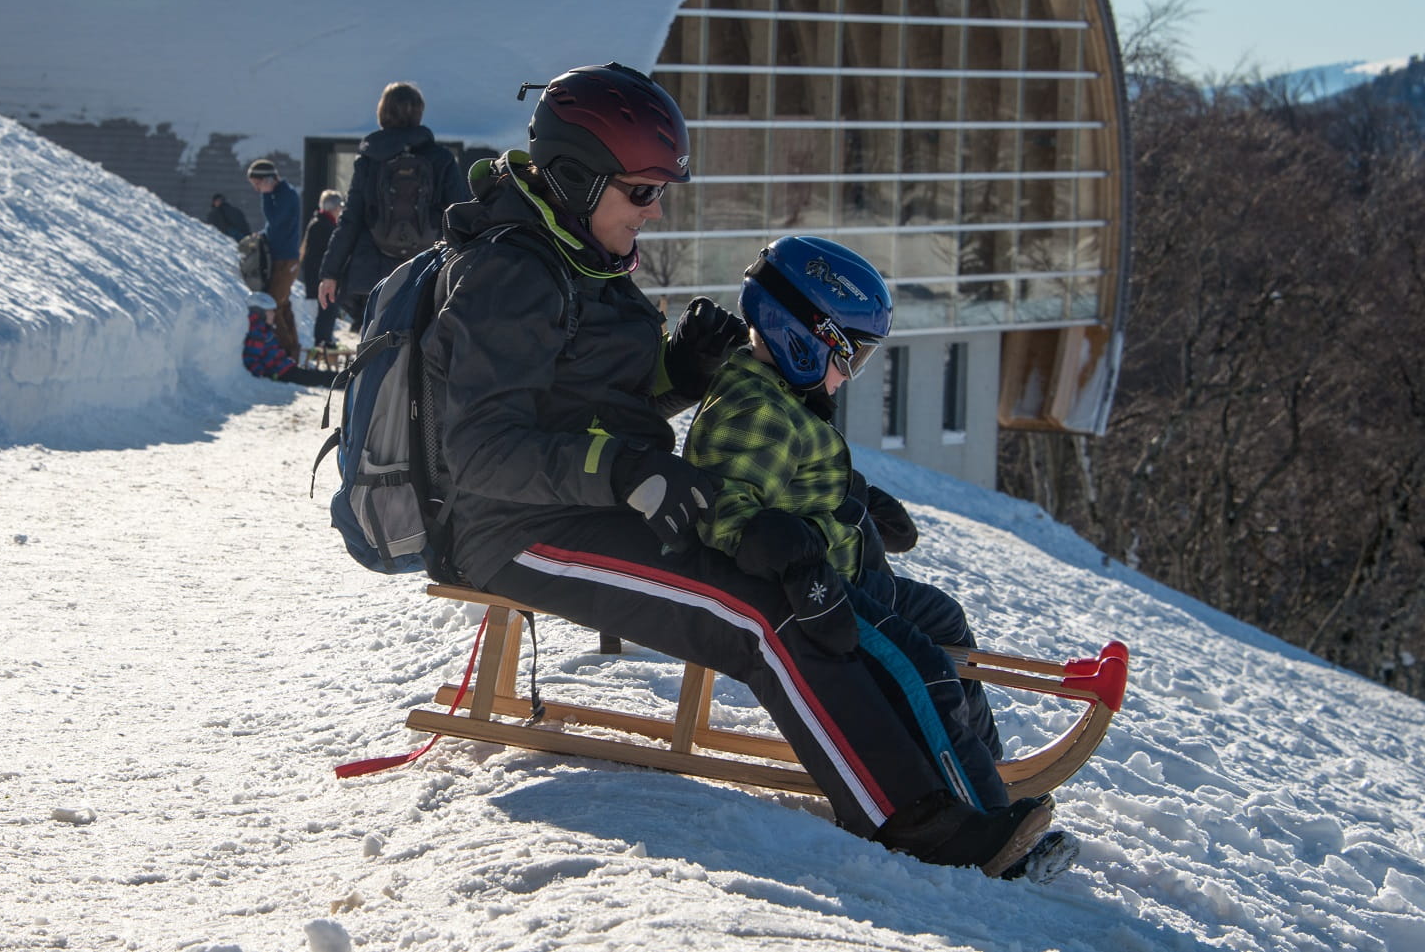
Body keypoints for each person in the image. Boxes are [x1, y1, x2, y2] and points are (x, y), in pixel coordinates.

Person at [420, 61, 1051, 877]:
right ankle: (914, 820)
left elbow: (584, 395)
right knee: (760, 618)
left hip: (580, 506)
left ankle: (941, 781)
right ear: (576, 180)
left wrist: (678, 372)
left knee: (789, 584)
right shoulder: (511, 271)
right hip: (511, 529)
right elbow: (478, 447)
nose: (655, 209)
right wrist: (623, 469)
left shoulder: (581, 255)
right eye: (642, 191)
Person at [681, 237, 1010, 812]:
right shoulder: (756, 409)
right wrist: (788, 556)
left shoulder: (780, 395)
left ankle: (985, 763)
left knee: (943, 620)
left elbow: (799, 479)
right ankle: (978, 806)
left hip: (853, 576)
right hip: (821, 597)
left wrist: (862, 502)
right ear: (808, 339)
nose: (848, 376)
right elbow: (724, 505)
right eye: (850, 357)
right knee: (922, 669)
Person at [317, 81, 469, 323]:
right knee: (424, 342)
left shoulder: (369, 160)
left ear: (382, 112)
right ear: (419, 112)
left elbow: (350, 220)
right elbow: (460, 213)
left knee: (374, 346)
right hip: (428, 269)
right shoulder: (441, 159)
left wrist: (330, 273)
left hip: (373, 272)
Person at [246, 158, 303, 359]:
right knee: (283, 304)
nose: (257, 189)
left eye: (258, 184)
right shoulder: (279, 194)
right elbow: (273, 227)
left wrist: (266, 195)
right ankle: (293, 349)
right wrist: (262, 235)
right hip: (282, 258)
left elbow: (275, 220)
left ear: (268, 179)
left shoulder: (284, 195)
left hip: (286, 260)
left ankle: (287, 353)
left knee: (274, 305)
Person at [242, 293, 335, 387]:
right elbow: (251, 357)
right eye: (270, 312)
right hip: (280, 372)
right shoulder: (257, 333)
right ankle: (342, 380)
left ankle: (340, 378)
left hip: (284, 368)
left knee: (315, 375)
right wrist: (264, 373)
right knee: (317, 378)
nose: (273, 314)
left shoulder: (265, 330)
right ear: (260, 313)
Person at [299, 189, 345, 352]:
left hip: (319, 275)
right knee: (327, 308)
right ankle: (323, 342)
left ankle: (324, 340)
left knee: (328, 309)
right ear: (333, 208)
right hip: (321, 277)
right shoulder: (324, 226)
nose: (341, 211)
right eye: (339, 207)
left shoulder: (320, 223)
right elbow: (321, 256)